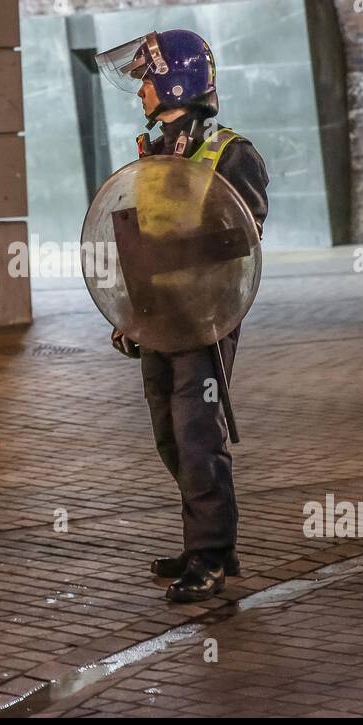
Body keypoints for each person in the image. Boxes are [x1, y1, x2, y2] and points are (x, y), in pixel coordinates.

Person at [98, 29, 269, 602]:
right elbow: (141, 242)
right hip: (158, 317)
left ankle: (211, 554)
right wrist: (130, 311)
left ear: (175, 81)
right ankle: (207, 538)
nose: (142, 90)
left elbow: (243, 239)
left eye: (148, 78)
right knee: (170, 435)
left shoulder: (231, 153)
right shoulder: (156, 153)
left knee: (198, 436)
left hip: (203, 320)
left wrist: (178, 263)